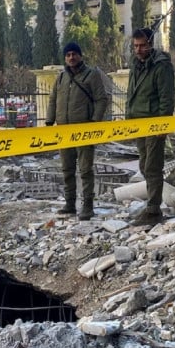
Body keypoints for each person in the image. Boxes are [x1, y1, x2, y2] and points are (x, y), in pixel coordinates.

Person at [46, 42, 108, 220]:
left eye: (74, 54)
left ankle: (87, 205)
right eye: (68, 55)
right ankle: (69, 203)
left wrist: (94, 122)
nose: (71, 57)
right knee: (67, 169)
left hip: (83, 131)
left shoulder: (92, 74)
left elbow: (101, 99)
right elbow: (53, 100)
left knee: (85, 169)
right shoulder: (61, 77)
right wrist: (50, 121)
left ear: (80, 55)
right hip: (63, 131)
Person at [126, 27, 175, 226]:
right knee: (144, 166)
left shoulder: (161, 66)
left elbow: (167, 99)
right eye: (135, 46)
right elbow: (132, 92)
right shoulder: (135, 64)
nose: (138, 49)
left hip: (154, 124)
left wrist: (163, 126)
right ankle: (152, 205)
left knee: (152, 167)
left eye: (142, 45)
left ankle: (154, 211)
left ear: (151, 44)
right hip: (139, 124)